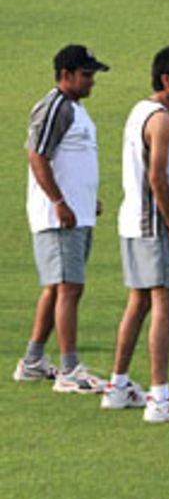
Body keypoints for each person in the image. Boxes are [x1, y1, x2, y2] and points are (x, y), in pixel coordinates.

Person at [102, 46, 169, 423]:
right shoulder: (162, 121)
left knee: (139, 302)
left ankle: (117, 387)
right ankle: (160, 398)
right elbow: (157, 178)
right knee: (165, 305)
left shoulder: (138, 111)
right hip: (152, 224)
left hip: (130, 221)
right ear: (168, 79)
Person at [14, 45, 108, 393]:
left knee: (58, 287)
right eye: (86, 75)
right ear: (65, 75)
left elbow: (71, 160)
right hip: (58, 218)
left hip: (74, 213)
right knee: (70, 287)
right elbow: (37, 156)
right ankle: (70, 370)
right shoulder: (55, 106)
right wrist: (58, 201)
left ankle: (34, 360)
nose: (92, 82)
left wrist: (85, 199)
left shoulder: (74, 109)